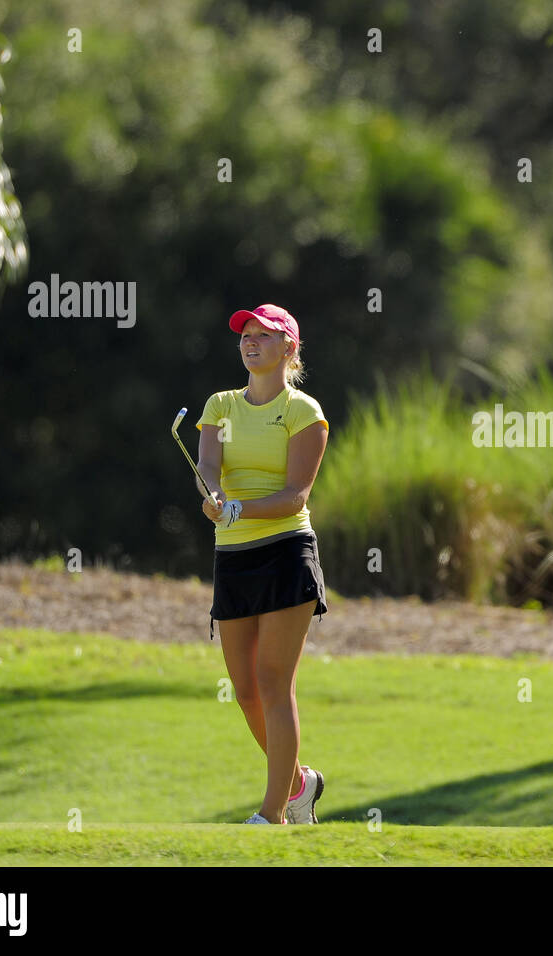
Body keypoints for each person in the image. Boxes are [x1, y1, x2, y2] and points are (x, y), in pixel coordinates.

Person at [194, 303, 331, 825]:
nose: (250, 342)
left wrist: (238, 509)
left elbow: (296, 495)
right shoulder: (220, 405)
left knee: (274, 682)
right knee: (245, 689)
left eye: (263, 335)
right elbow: (208, 467)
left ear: (288, 348)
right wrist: (211, 494)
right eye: (245, 335)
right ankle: (299, 786)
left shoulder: (304, 412)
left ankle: (273, 813)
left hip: (284, 554)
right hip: (233, 556)